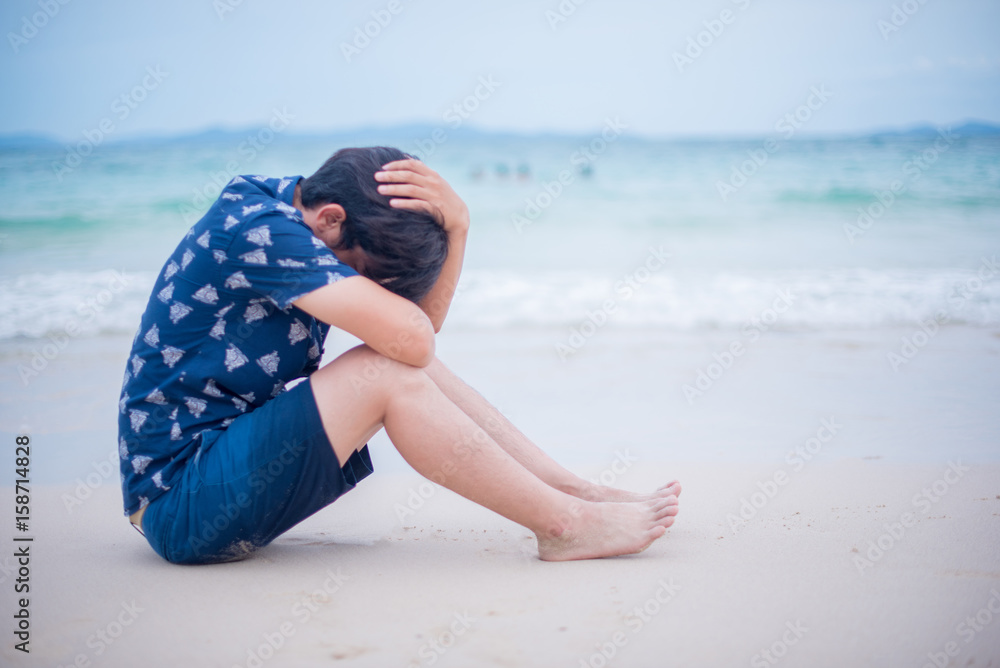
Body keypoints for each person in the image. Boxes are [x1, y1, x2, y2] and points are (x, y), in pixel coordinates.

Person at [117, 146, 680, 565]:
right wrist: (432, 267)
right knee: (385, 368)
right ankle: (564, 525)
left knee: (400, 362)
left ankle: (573, 493)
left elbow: (416, 340)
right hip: (180, 506)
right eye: (366, 274)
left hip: (216, 482)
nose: (370, 288)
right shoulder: (259, 230)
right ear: (332, 218)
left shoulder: (294, 214)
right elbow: (411, 337)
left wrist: (458, 228)